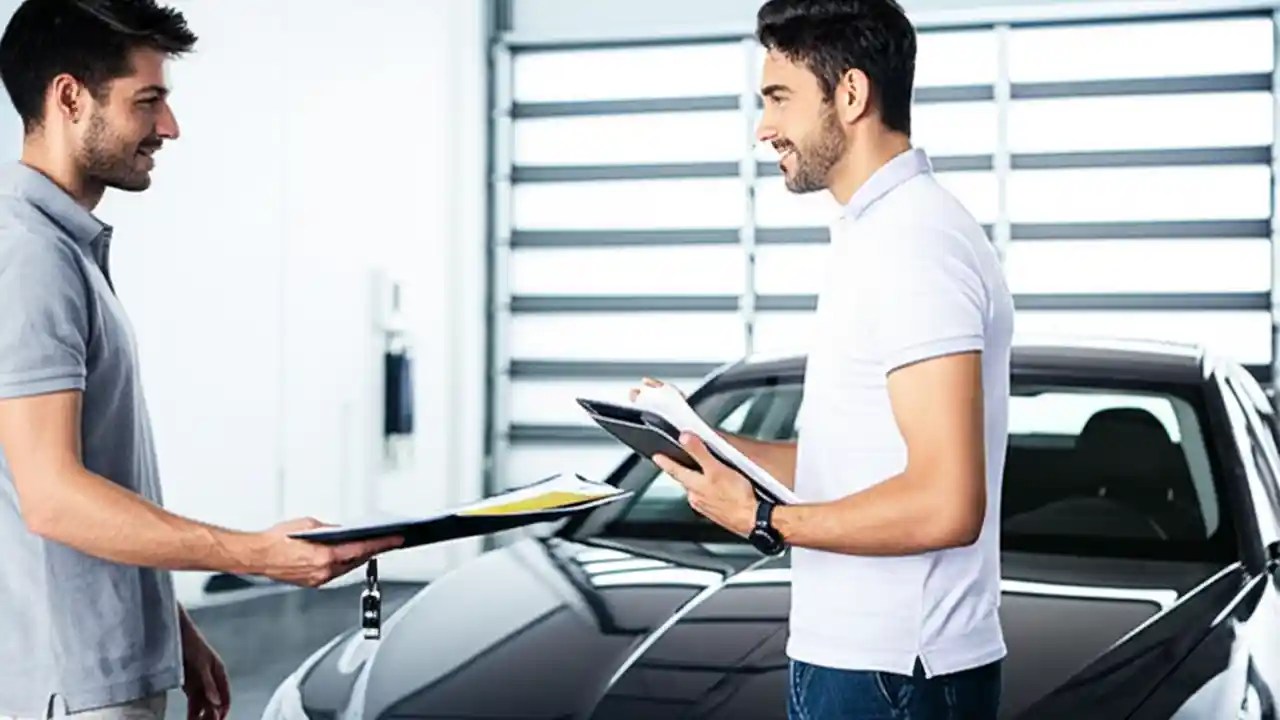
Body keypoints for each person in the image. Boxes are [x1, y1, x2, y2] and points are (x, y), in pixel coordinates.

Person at [0, 2, 402, 719]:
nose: (169, 128)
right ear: (69, 97)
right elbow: (52, 496)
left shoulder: (63, 248)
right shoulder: (30, 257)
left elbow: (100, 475)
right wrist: (255, 555)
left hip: (109, 663)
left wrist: (171, 627)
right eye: (147, 101)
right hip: (71, 683)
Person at [638, 1, 1014, 718]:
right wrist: (704, 443)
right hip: (863, 665)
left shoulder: (915, 244)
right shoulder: (877, 235)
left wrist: (763, 520)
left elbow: (947, 502)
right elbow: (847, 468)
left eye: (779, 98)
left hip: (898, 674)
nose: (763, 127)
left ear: (850, 93)